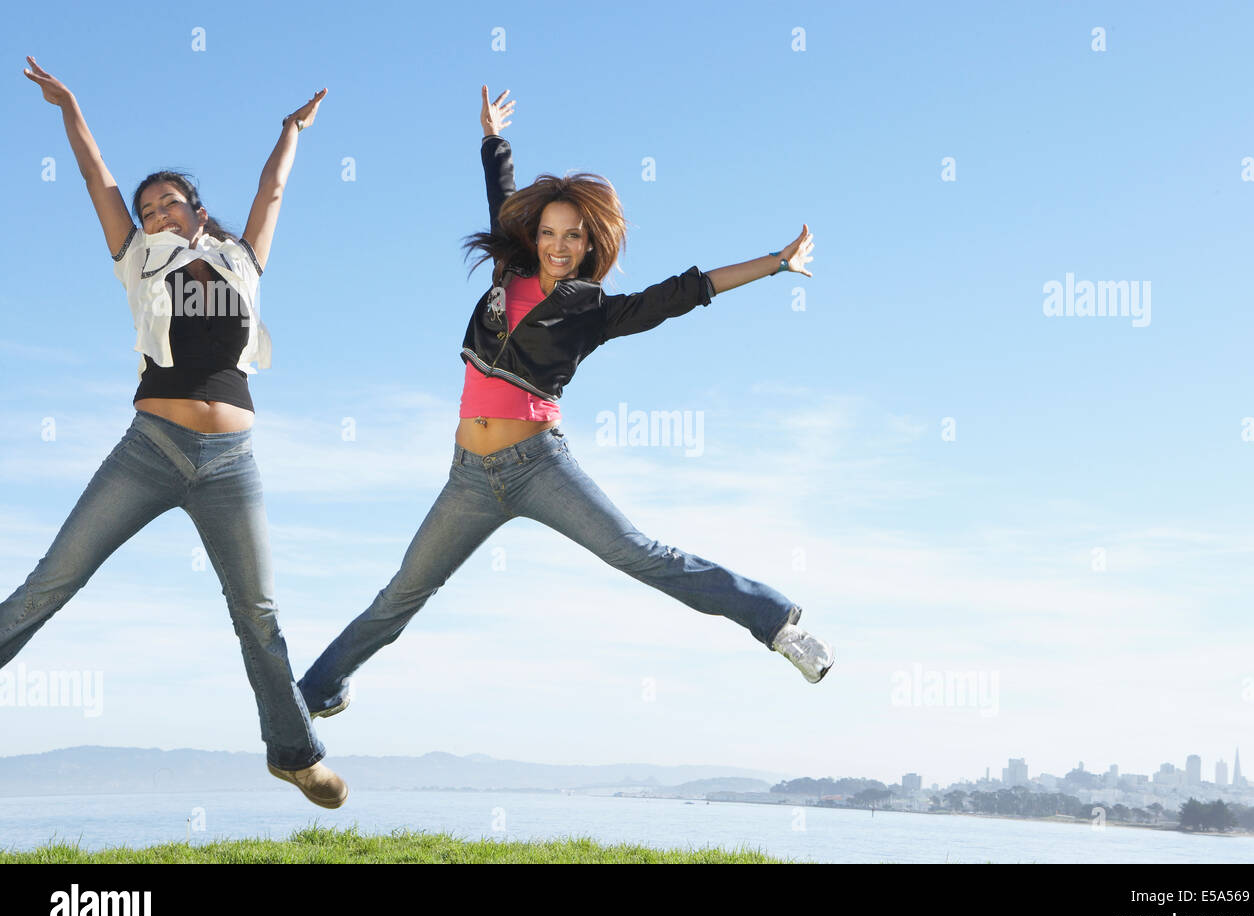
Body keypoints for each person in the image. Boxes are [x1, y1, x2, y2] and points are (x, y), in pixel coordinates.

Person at [297, 86, 833, 720]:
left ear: (589, 245)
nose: (556, 244)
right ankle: (314, 693)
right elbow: (502, 193)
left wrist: (774, 263)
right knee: (403, 594)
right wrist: (493, 136)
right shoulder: (507, 270)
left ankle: (778, 625)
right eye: (548, 232)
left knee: (640, 554)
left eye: (572, 236)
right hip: (469, 477)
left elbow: (687, 292)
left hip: (539, 465)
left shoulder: (596, 313)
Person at [4, 57, 348, 808]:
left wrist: (291, 131)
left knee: (257, 614)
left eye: (171, 202)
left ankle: (293, 752)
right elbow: (97, 181)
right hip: (150, 451)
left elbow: (273, 190)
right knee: (53, 582)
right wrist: (70, 107)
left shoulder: (242, 260)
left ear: (196, 206)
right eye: (149, 206)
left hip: (232, 462)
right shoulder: (137, 259)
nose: (159, 212)